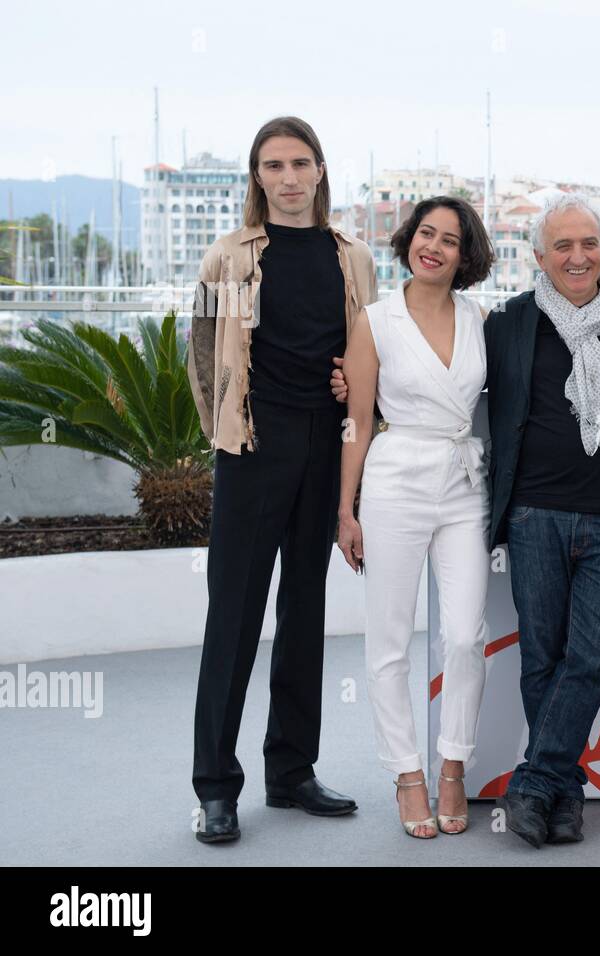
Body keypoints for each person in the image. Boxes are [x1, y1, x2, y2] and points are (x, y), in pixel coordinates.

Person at [186, 116, 376, 844]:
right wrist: (227, 431)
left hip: (323, 445)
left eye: (301, 163)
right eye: (274, 165)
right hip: (252, 448)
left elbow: (365, 351)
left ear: (321, 172)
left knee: (304, 609)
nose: (289, 177)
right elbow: (203, 358)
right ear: (257, 177)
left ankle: (291, 771)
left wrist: (347, 387)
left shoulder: (352, 258)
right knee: (232, 617)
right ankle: (215, 786)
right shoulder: (228, 257)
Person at [484, 193, 600, 847]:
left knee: (591, 656)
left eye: (588, 243)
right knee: (541, 659)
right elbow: (452, 384)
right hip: (534, 515)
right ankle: (562, 796)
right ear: (539, 256)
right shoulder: (509, 323)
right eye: (562, 245)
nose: (577, 256)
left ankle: (534, 784)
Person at [335, 197, 495, 839]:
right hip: (394, 479)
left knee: (464, 635)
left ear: (465, 255)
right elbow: (358, 421)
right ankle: (406, 774)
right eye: (426, 233)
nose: (434, 246)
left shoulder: (477, 317)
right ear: (409, 240)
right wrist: (345, 509)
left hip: (464, 483)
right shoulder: (375, 320)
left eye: (450, 240)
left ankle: (452, 764)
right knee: (390, 640)